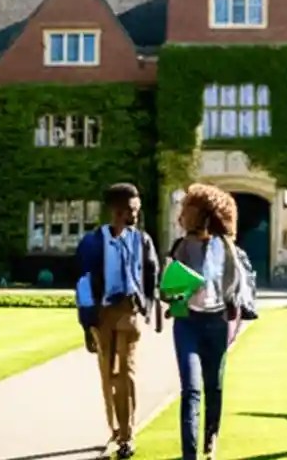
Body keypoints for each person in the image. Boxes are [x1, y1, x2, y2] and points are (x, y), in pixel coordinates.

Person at [73, 183, 162, 460]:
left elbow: (152, 275)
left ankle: (127, 434)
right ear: (115, 210)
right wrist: (87, 322)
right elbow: (83, 283)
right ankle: (115, 427)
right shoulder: (92, 243)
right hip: (102, 313)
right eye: (129, 210)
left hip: (129, 310)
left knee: (126, 372)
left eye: (137, 209)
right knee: (108, 374)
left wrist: (146, 307)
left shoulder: (142, 240)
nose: (135, 215)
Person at [165, 183, 249, 460]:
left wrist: (233, 311)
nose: (182, 213)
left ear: (203, 213)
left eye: (187, 208)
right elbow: (167, 290)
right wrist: (174, 292)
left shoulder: (226, 248)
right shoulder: (180, 246)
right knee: (191, 389)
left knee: (214, 386)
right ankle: (189, 455)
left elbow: (237, 286)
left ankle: (210, 439)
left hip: (216, 323)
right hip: (187, 323)